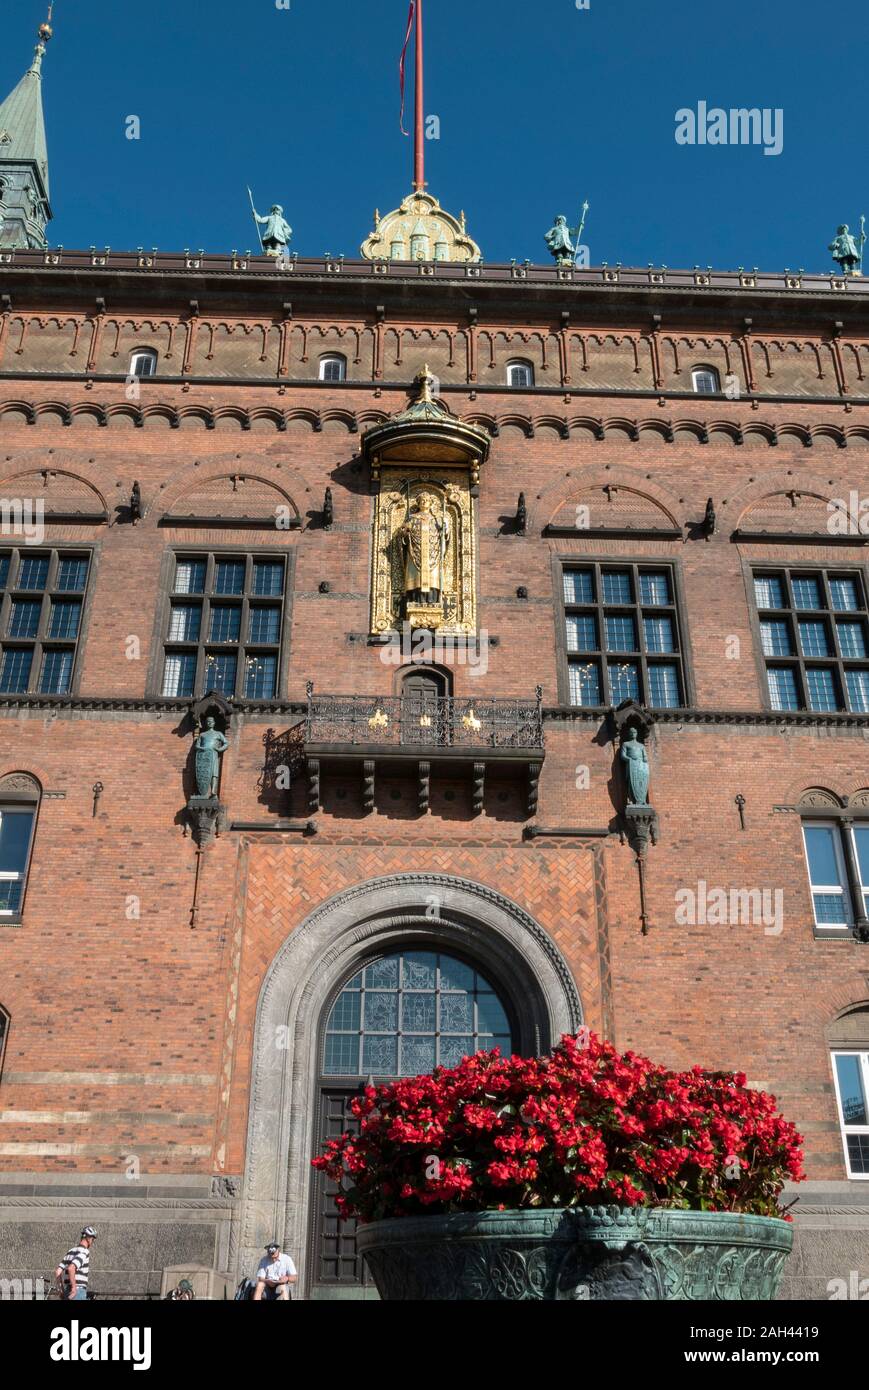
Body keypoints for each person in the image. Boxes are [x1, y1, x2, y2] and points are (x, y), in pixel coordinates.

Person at [55, 1226, 97, 1301]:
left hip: (67, 1291)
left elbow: (58, 1271)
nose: (92, 1242)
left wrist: (61, 1291)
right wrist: (74, 1288)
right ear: (88, 1238)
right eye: (92, 1239)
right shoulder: (84, 1251)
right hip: (78, 1291)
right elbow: (71, 1268)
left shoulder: (71, 1251)